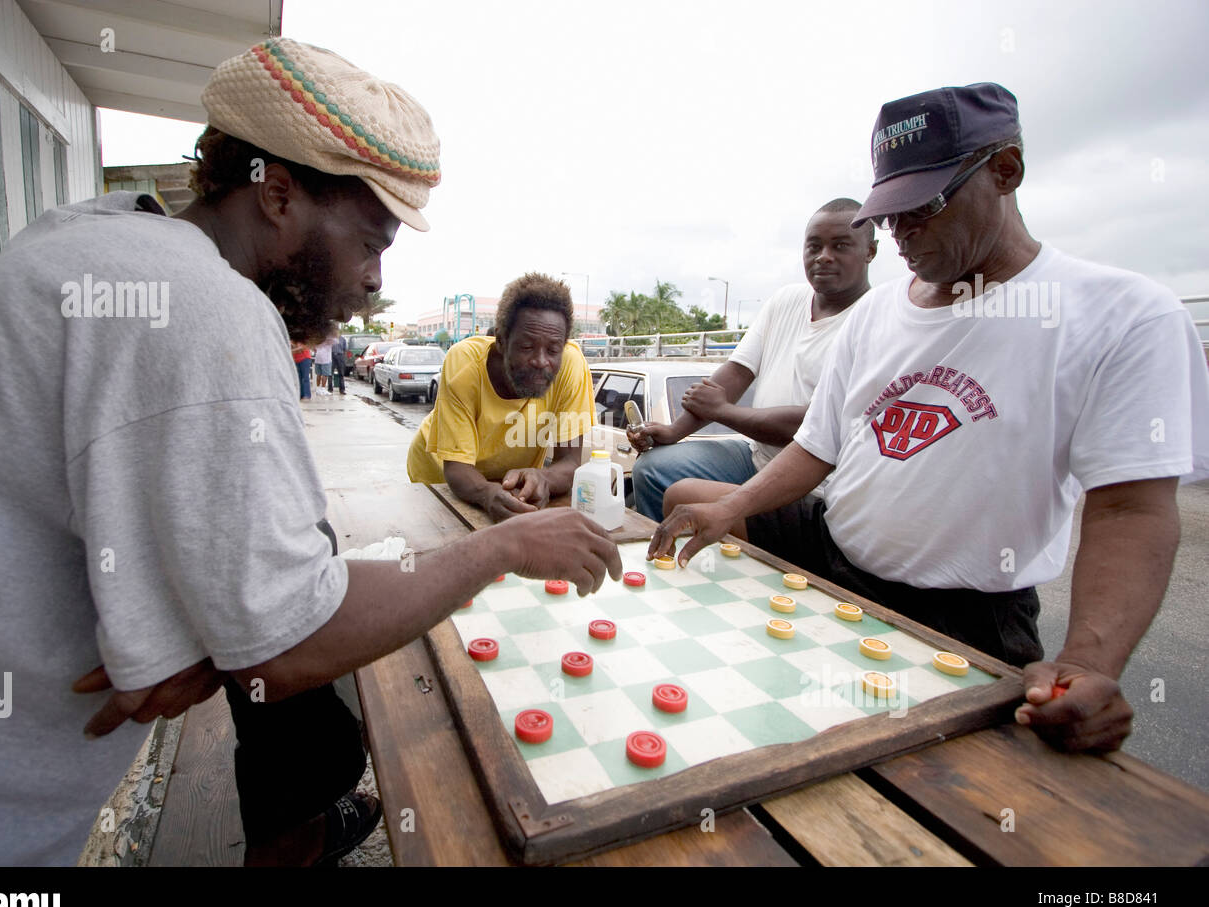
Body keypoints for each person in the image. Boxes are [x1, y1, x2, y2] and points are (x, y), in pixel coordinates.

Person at [0, 38, 621, 867]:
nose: (373, 282)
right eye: (371, 243)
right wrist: (504, 545)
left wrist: (213, 639)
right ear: (277, 195)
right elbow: (285, 644)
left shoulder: (101, 234)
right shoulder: (201, 307)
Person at [650, 82, 1209, 755]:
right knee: (744, 696)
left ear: (1006, 171)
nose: (903, 234)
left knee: (930, 783)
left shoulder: (1122, 316)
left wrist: (1090, 661)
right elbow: (816, 447)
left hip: (965, 609)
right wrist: (730, 508)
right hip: (831, 554)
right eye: (890, 215)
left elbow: (1130, 510)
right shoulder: (880, 313)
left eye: (925, 207)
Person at [629, 198, 877, 523]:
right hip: (757, 457)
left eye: (840, 246)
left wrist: (723, 411)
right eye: (813, 246)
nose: (823, 257)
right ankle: (665, 564)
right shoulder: (786, 300)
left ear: (871, 251)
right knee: (654, 468)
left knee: (698, 499)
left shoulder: (876, 318)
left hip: (818, 486)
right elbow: (734, 374)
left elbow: (815, 424)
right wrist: (675, 431)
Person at [406, 273, 597, 520]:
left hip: (507, 489)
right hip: (439, 480)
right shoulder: (464, 364)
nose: (541, 361)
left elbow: (570, 461)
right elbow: (456, 467)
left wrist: (544, 478)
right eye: (527, 347)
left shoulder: (571, 365)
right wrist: (486, 493)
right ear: (502, 341)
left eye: (553, 350)